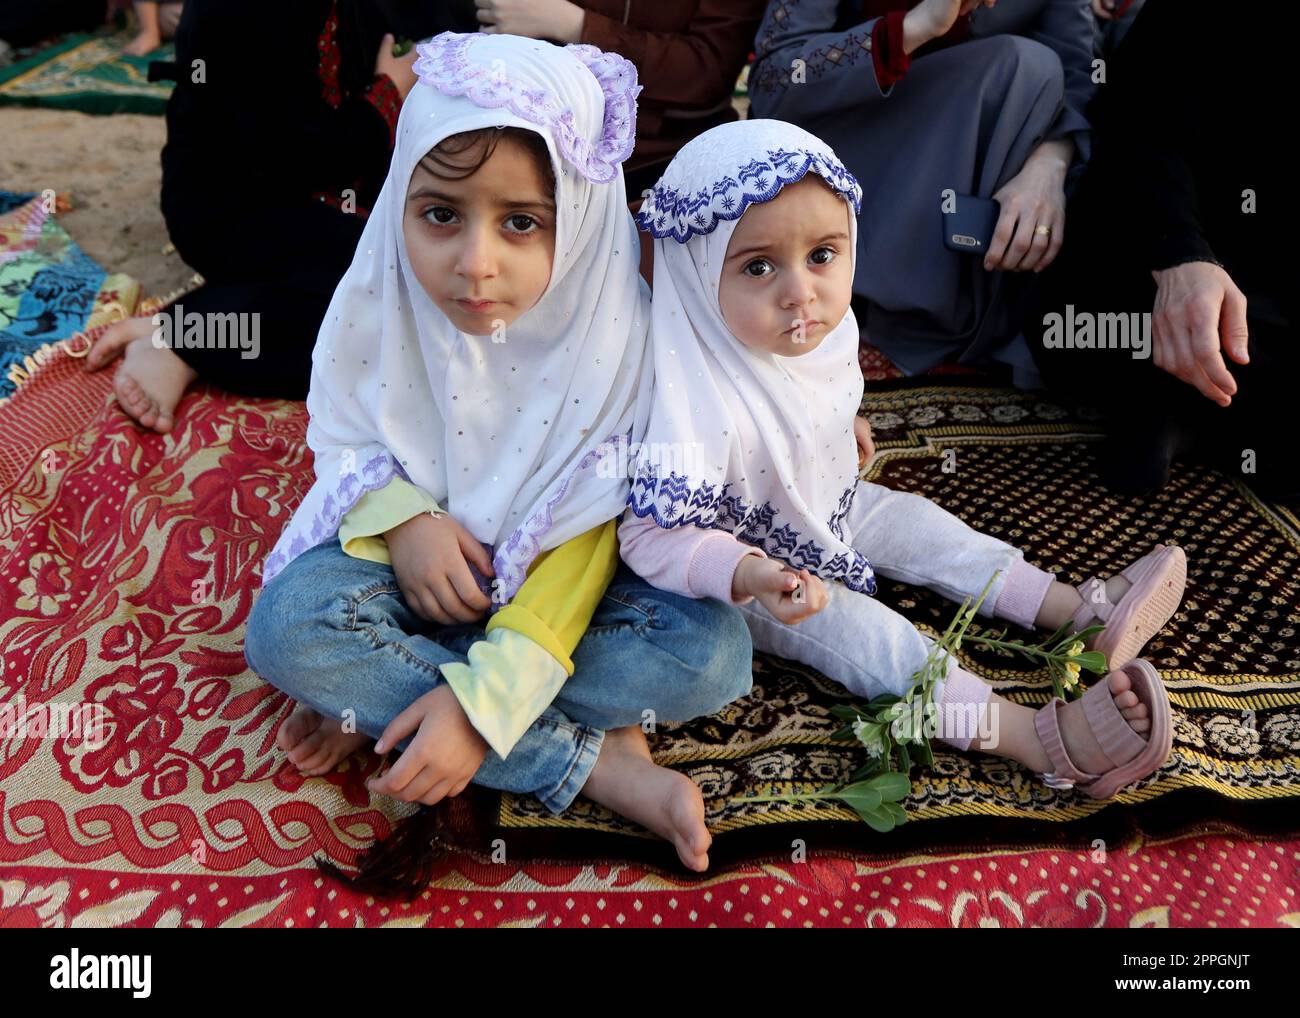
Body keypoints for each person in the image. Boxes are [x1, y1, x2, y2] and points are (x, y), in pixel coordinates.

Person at [244, 33, 755, 881]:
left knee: (709, 654)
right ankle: (591, 764)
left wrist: (483, 704)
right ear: (398, 203)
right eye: (440, 214)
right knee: (290, 627)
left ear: (583, 222)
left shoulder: (616, 334)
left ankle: (390, 699)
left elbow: (588, 537)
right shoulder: (384, 297)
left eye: (521, 223)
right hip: (410, 574)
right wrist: (406, 520)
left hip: (565, 595)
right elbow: (346, 433)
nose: (474, 264)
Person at [623, 119, 1183, 799]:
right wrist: (745, 572)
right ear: (696, 271)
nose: (800, 291)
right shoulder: (687, 394)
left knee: (925, 527)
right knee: (874, 639)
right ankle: (1031, 737)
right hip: (754, 564)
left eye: (822, 255)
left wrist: (839, 425)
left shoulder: (812, 330)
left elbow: (807, 397)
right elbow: (649, 536)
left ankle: (1074, 612)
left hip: (823, 496)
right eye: (759, 266)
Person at [84, 0, 478, 431]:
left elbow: (430, 19)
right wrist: (387, 92)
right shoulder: (237, 13)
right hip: (235, 209)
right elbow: (298, 154)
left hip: (337, 185)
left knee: (435, 280)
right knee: (393, 292)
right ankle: (183, 338)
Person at [746, 0, 1097, 387]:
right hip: (841, 158)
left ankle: (992, 318)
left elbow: (1079, 70)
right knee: (1021, 64)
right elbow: (772, 83)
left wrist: (1050, 163)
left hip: (982, 172)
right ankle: (880, 301)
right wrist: (914, 27)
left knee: (1032, 70)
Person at [1029, 0, 1298, 501]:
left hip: (1264, 311)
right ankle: (1172, 396)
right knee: (1075, 327)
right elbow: (1136, 127)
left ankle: (1189, 406)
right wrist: (1181, 257)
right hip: (1145, 273)